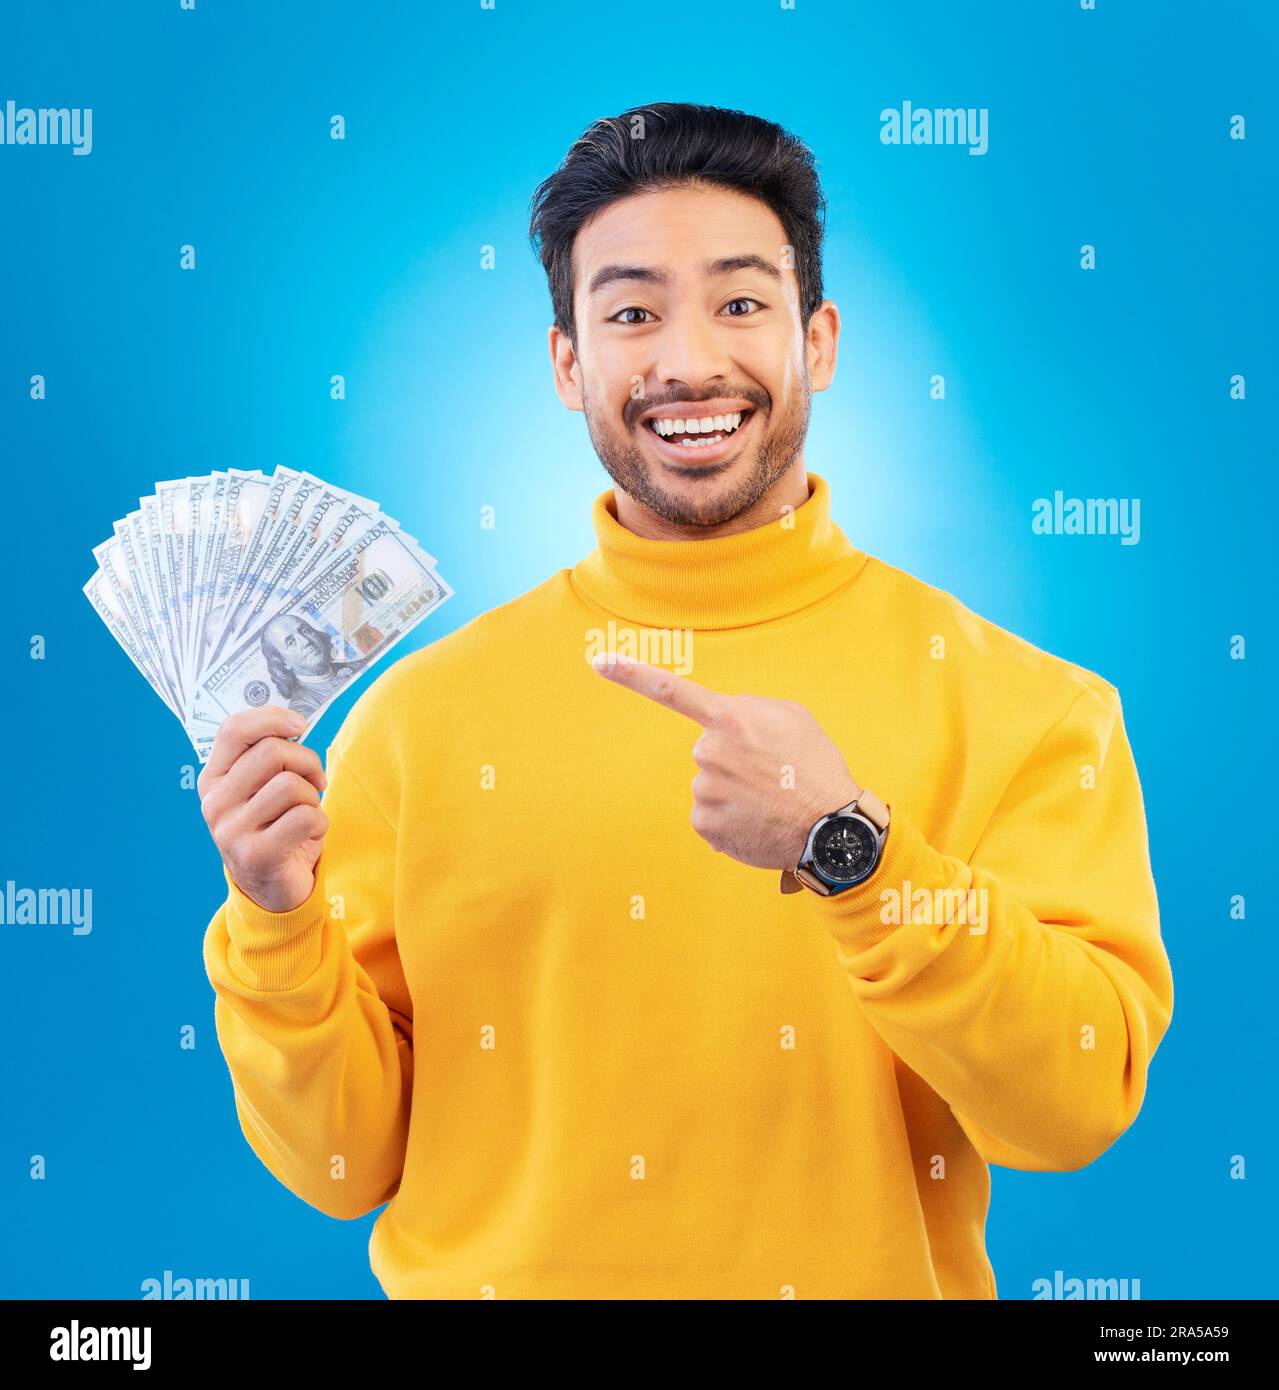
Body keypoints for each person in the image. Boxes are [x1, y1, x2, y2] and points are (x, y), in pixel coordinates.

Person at [198, 102, 1174, 1300]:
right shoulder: (417, 720)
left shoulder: (1030, 707)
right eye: (630, 313)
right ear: (569, 364)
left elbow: (1070, 1111)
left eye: (740, 302)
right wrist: (274, 920)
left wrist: (851, 851)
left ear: (818, 341)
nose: (689, 361)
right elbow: (346, 1162)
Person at [259, 614, 369, 719]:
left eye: (305, 631)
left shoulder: (360, 665)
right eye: (291, 642)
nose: (306, 641)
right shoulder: (302, 710)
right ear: (283, 663)